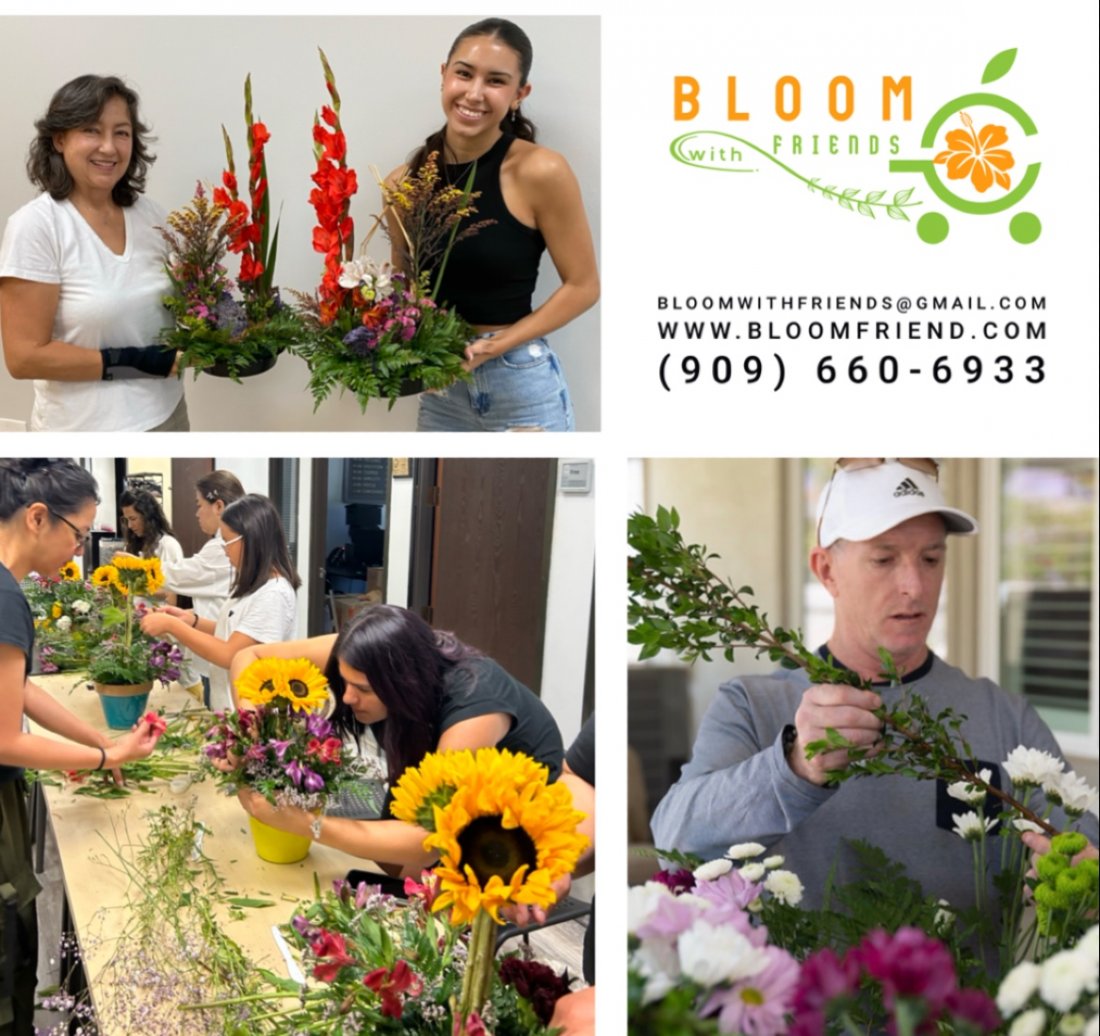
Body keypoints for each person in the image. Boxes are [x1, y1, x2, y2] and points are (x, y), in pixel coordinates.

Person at [650, 459, 1099, 918]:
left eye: (931, 558)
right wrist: (795, 767)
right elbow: (674, 842)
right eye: (884, 559)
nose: (914, 586)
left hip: (968, 988)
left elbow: (1081, 841)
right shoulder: (753, 705)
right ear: (826, 570)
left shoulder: (1004, 717)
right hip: (800, 988)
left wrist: (1081, 878)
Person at [0, 459, 161, 1033]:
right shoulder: (5, 596)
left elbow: (15, 693)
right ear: (38, 518)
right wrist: (106, 757)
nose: (79, 549)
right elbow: (6, 740)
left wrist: (93, 736)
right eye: (79, 533)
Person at [226, 604, 564, 873]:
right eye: (344, 683)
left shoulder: (474, 712)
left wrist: (307, 824)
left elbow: (426, 838)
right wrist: (250, 725)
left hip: (511, 827)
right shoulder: (364, 655)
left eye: (363, 690)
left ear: (404, 685)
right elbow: (249, 657)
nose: (346, 698)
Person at [388, 17, 599, 432]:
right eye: (464, 73)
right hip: (440, 386)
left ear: (520, 95)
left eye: (496, 81)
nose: (474, 93)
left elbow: (584, 286)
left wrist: (494, 345)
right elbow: (404, 287)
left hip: (520, 382)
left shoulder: (541, 170)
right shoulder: (401, 184)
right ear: (444, 75)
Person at [0, 75, 184, 432]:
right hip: (84, 429)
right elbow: (23, 357)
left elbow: (182, 307)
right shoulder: (36, 227)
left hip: (167, 416)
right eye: (91, 130)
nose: (109, 147)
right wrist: (138, 362)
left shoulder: (153, 217)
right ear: (59, 139)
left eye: (121, 132)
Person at [139, 493, 298, 712]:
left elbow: (231, 654)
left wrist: (171, 626)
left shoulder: (274, 594)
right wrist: (192, 620)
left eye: (227, 542)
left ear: (251, 540)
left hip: (249, 713)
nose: (224, 550)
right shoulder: (252, 584)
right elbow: (235, 632)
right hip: (226, 706)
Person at [155, 471, 245, 707]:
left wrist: (134, 570)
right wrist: (191, 620)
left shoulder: (220, 548)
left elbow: (177, 576)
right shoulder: (221, 547)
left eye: (199, 505)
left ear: (218, 506)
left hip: (221, 658)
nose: (196, 513)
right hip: (215, 651)